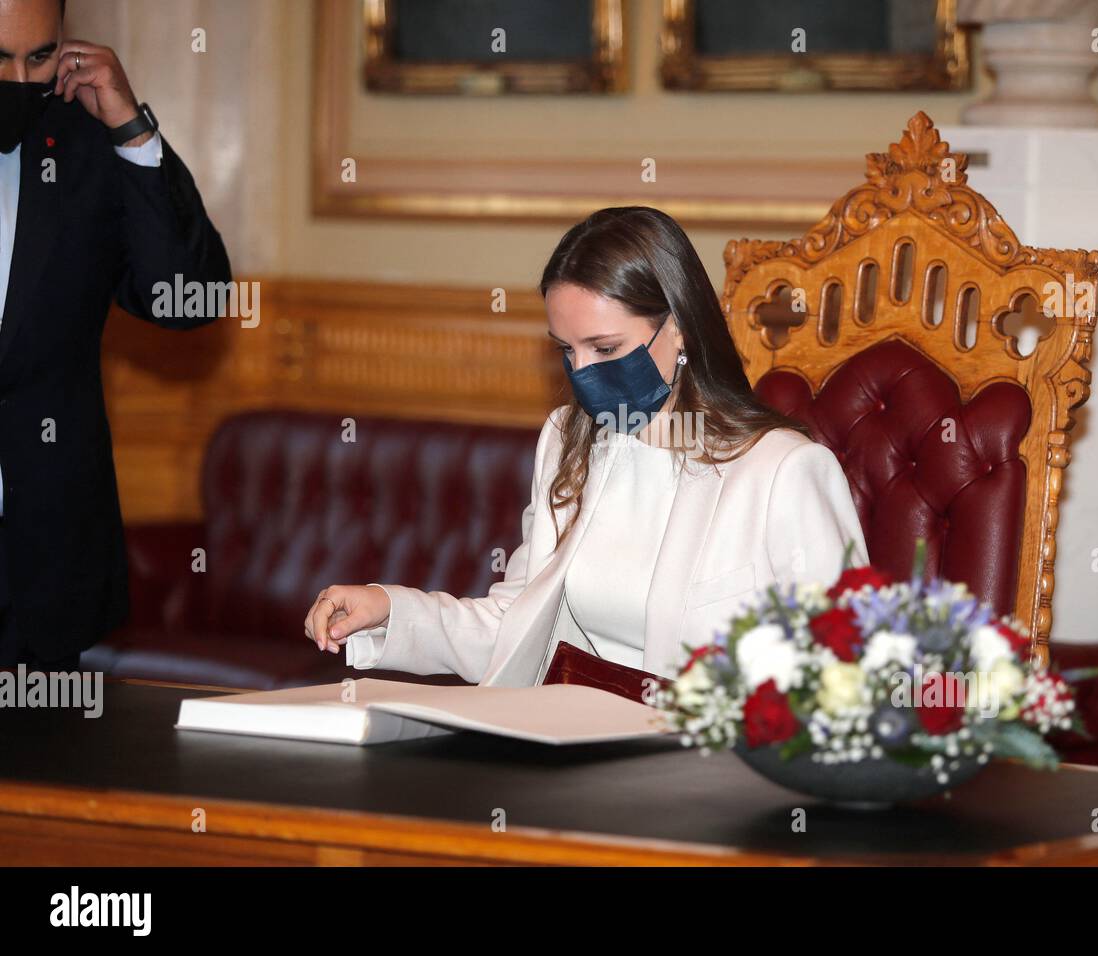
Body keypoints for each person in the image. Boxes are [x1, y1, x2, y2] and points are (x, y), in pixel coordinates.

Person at [305, 206, 868, 686]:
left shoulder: (783, 470)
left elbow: (848, 670)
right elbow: (516, 627)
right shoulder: (567, 441)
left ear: (679, 329)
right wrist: (389, 610)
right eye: (566, 351)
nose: (583, 373)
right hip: (571, 753)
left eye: (605, 347)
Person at [0, 0, 233, 671]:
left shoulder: (82, 143)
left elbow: (192, 297)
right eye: (0, 59)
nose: (21, 80)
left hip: (38, 574)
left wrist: (132, 132)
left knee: (41, 775)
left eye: (39, 57)